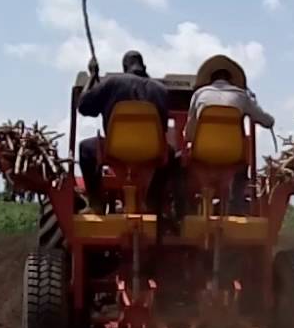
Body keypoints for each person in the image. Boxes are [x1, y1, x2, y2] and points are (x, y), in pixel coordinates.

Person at [77, 50, 177, 216]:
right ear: (144, 67)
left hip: (115, 151)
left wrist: (92, 76)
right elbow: (163, 129)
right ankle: (152, 201)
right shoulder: (160, 90)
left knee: (85, 149)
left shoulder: (111, 83)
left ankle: (96, 204)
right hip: (151, 153)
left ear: (124, 68)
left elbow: (83, 106)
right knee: (172, 154)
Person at [184, 55, 274, 213]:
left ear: (210, 79)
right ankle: (235, 206)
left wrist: (190, 140)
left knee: (182, 167)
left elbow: (190, 131)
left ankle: (185, 212)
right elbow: (266, 121)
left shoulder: (199, 95)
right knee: (241, 171)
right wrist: (270, 120)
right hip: (232, 155)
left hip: (202, 154)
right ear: (231, 79)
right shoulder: (241, 96)